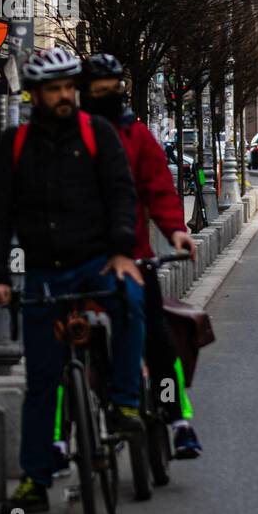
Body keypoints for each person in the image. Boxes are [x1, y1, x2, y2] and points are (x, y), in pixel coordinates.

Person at [0, 47, 144, 514]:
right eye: (52, 89)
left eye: (67, 88)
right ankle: (35, 478)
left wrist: (120, 253)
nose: (63, 96)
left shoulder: (98, 135)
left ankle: (124, 401)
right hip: (43, 274)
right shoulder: (14, 145)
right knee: (42, 380)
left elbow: (121, 194)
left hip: (97, 262)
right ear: (35, 95)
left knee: (132, 301)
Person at [80, 55, 204, 459]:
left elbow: (159, 189)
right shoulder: (73, 138)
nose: (108, 95)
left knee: (160, 341)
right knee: (70, 342)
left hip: (135, 258)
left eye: (113, 88)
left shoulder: (136, 136)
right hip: (80, 261)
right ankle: (69, 433)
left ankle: (179, 419)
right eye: (99, 90)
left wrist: (177, 231)